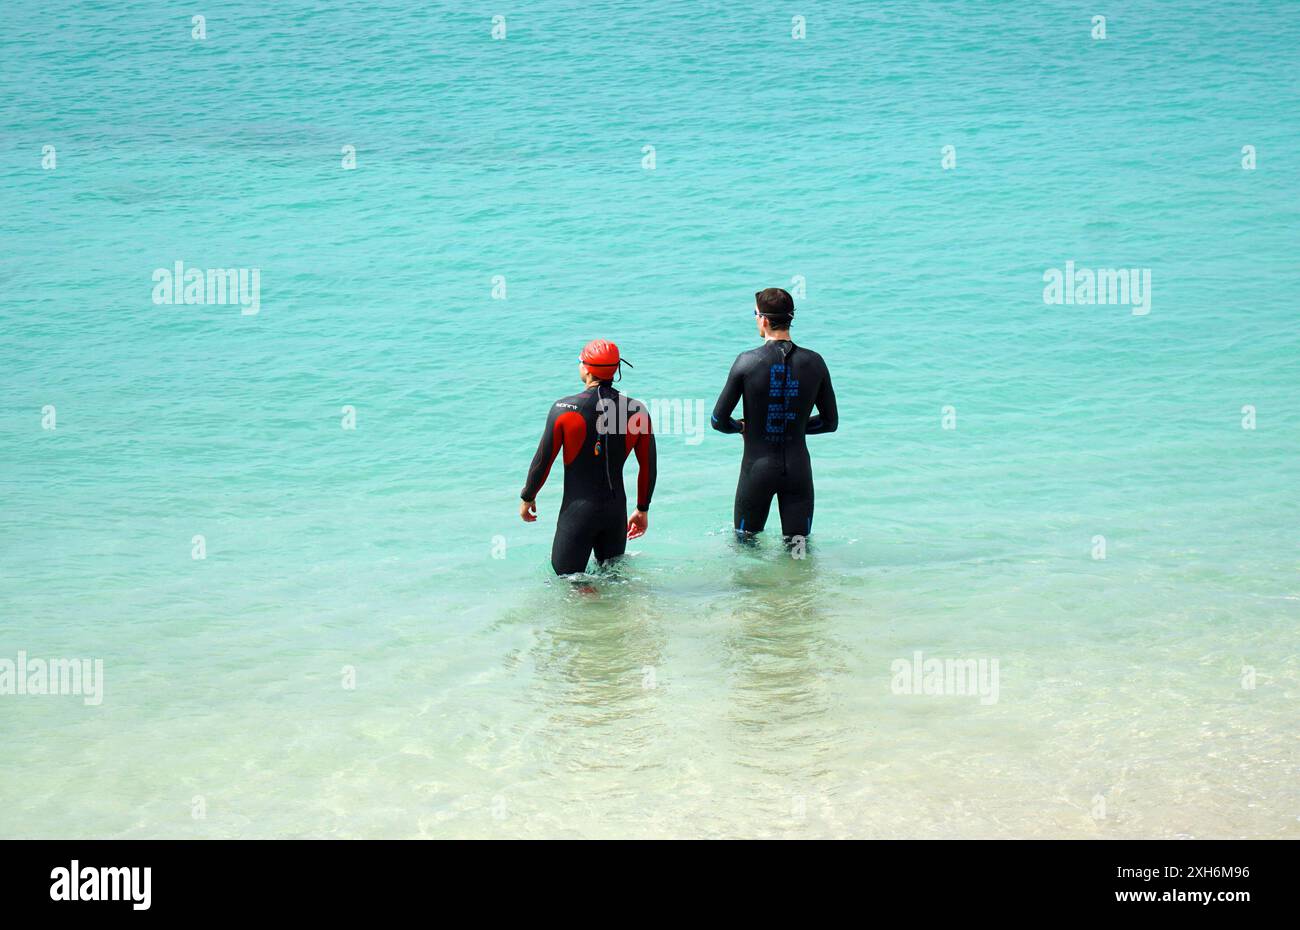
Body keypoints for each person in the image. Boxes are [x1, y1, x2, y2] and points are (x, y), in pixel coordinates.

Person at [520, 339, 657, 575]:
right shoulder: (636, 410)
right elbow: (648, 465)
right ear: (616, 370)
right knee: (613, 580)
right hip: (615, 512)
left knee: (567, 582)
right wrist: (642, 509)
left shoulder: (563, 409)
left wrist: (528, 496)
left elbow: (543, 460)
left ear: (586, 368)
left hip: (577, 514)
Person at [711, 288, 837, 540]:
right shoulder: (815, 362)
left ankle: (753, 581)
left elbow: (718, 420)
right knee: (798, 546)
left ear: (764, 319)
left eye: (755, 314)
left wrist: (743, 428)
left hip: (757, 470)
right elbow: (829, 422)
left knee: (746, 544)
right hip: (798, 470)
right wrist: (795, 426)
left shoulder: (746, 362)